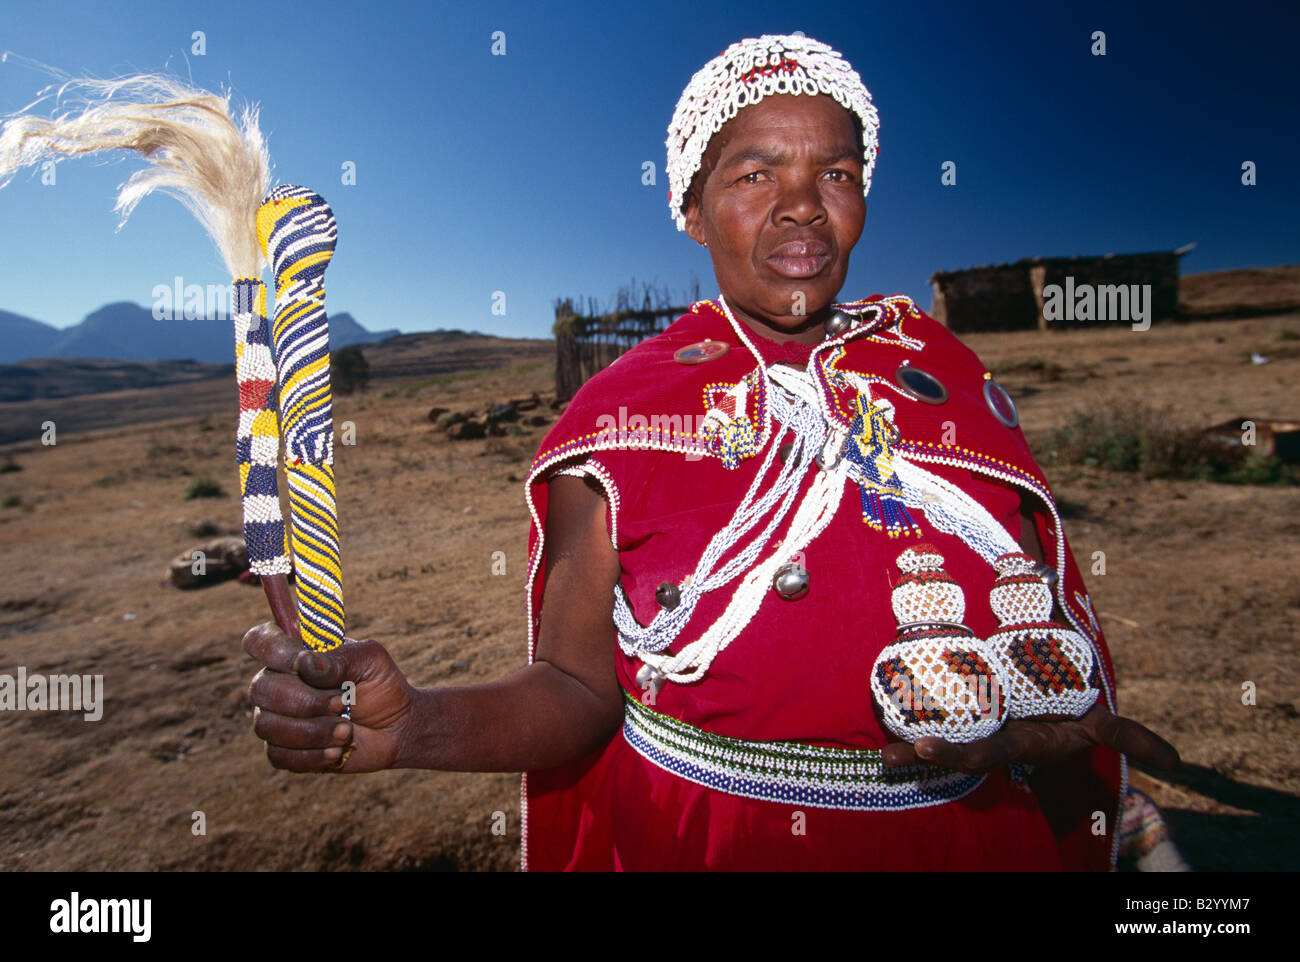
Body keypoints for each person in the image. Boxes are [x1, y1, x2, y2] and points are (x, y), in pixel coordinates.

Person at [244, 33, 1179, 871]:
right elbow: (576, 688)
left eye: (837, 174)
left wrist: (1046, 720)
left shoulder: (940, 371)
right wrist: (418, 726)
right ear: (690, 209)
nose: (803, 208)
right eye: (754, 175)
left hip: (968, 838)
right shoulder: (620, 417)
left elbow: (1040, 603)